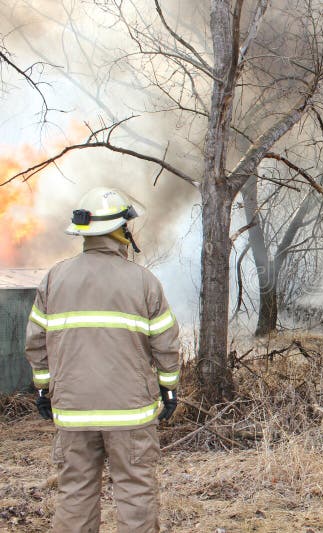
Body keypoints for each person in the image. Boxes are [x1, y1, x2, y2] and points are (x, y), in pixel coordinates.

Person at [25, 187, 180, 533]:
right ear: (119, 230)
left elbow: (36, 343)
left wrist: (43, 389)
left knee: (75, 492)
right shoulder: (144, 282)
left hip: (73, 410)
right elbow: (166, 345)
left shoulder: (53, 279)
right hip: (131, 413)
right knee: (135, 490)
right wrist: (169, 389)